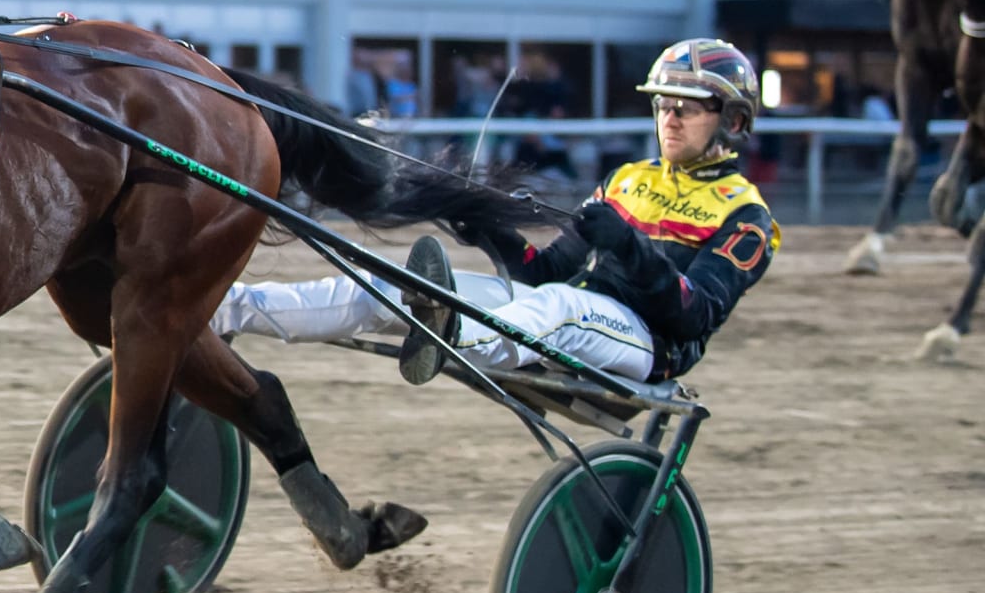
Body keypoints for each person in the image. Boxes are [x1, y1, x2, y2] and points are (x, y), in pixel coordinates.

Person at [213, 39, 781, 385]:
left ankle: (451, 330)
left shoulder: (747, 218)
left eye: (688, 107)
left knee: (562, 307)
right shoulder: (627, 180)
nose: (670, 118)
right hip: (571, 313)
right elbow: (543, 270)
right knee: (387, 283)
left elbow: (695, 316)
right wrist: (488, 231)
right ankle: (225, 310)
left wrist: (628, 246)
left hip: (647, 344)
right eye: (662, 104)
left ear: (731, 121)